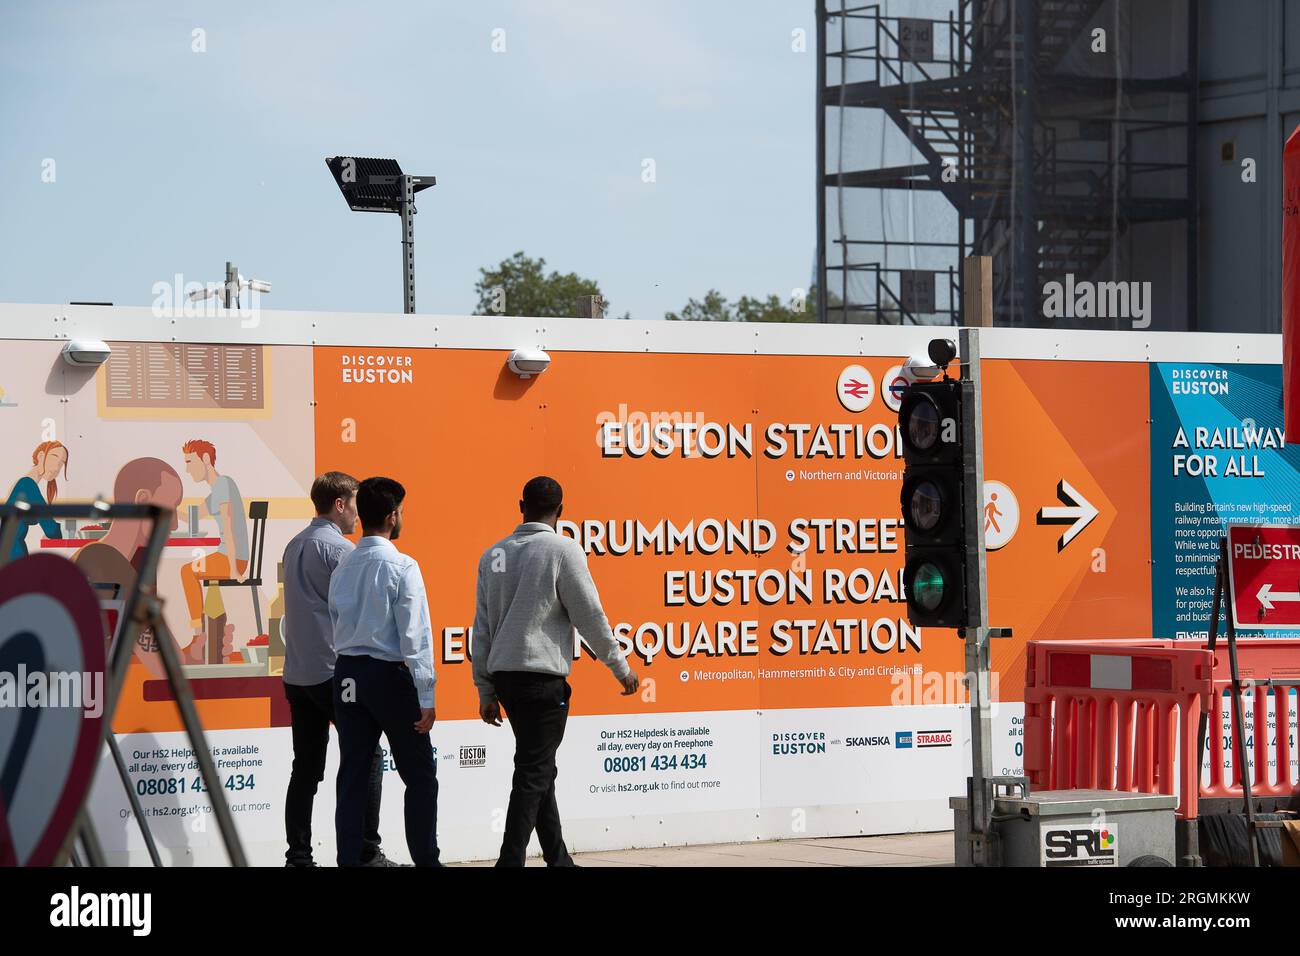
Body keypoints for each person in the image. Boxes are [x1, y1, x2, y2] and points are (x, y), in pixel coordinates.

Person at [472, 475, 639, 867]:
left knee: (538, 766)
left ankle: (558, 860)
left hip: (507, 682)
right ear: (561, 511)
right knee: (533, 772)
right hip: (542, 682)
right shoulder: (563, 550)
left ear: (520, 506)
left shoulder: (492, 554)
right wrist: (620, 667)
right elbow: (590, 617)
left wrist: (485, 690)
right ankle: (508, 862)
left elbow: (480, 629)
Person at [281, 472, 395, 867]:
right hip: (334, 672)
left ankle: (298, 857)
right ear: (341, 504)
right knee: (367, 758)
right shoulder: (341, 551)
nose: (360, 514)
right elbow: (362, 613)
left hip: (297, 674)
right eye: (356, 504)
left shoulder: (294, 545)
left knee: (306, 770)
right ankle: (366, 852)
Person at [328, 477, 439, 867]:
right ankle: (427, 860)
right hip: (389, 677)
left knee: (353, 776)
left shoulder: (343, 564)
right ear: (393, 516)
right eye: (402, 510)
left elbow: (334, 620)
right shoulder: (402, 565)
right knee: (420, 775)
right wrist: (426, 695)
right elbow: (416, 637)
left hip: (347, 674)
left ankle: (349, 861)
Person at [73, 457, 183, 679]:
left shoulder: (122, 563)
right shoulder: (102, 561)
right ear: (143, 500)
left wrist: (193, 656)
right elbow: (164, 666)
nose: (175, 524)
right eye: (171, 508)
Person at [179, 439, 249, 652]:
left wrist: (233, 569)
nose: (187, 469)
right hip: (228, 556)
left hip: (233, 558)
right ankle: (200, 636)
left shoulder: (223, 485)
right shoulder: (218, 489)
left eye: (190, 462)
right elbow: (193, 518)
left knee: (187, 572)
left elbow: (228, 527)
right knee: (188, 571)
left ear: (206, 459)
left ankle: (198, 637)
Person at [6, 440, 68, 559]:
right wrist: (57, 531)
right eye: (54, 458)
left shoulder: (23, 483)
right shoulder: (27, 484)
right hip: (13, 557)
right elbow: (52, 530)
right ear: (41, 456)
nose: (56, 467)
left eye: (61, 464)